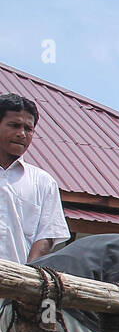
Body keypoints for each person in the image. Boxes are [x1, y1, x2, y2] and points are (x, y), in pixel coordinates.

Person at [0, 93, 70, 265]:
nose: (22, 134)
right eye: (14, 125)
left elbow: (47, 235)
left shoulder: (43, 182)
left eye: (28, 129)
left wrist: (29, 277)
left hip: (14, 286)